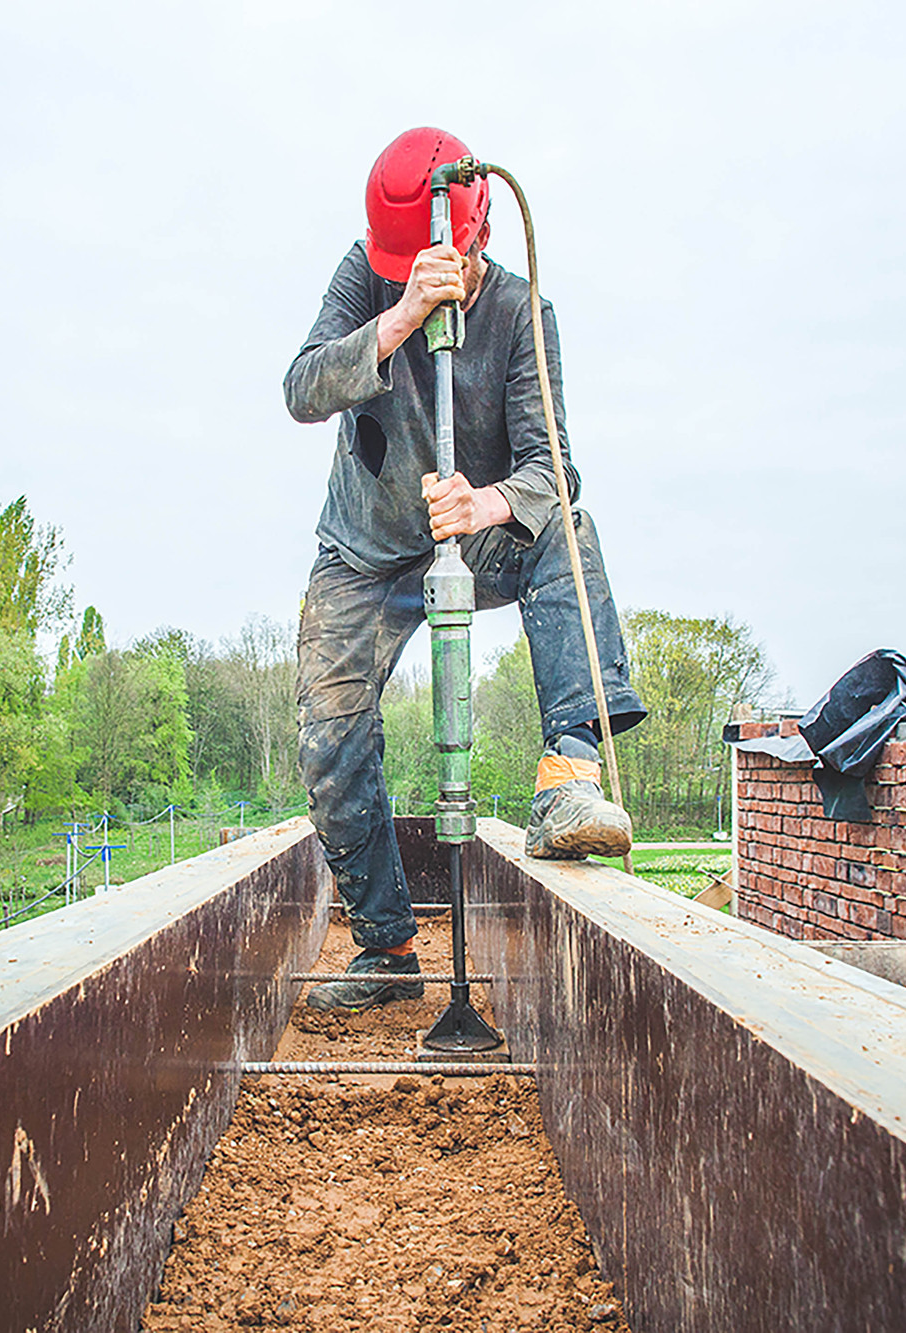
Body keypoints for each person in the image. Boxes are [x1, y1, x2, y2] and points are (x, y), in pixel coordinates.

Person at [282, 127, 646, 1014]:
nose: (420, 274)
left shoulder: (524, 315)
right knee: (329, 737)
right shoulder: (367, 275)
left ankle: (569, 780)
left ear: (475, 234)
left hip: (467, 533)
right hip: (365, 551)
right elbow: (301, 388)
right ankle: (389, 949)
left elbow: (552, 467)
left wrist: (487, 503)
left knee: (570, 525)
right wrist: (401, 315)